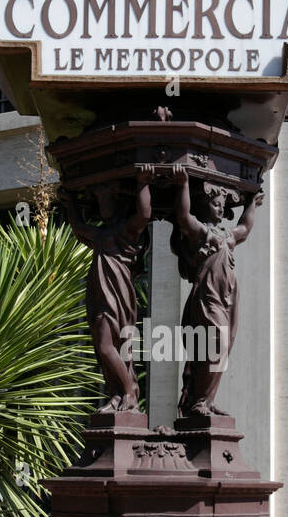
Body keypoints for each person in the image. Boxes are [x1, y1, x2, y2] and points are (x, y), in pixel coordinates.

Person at [169, 163, 263, 417]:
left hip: (227, 301)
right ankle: (198, 401)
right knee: (214, 344)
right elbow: (183, 217)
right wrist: (184, 184)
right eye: (215, 203)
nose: (221, 207)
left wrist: (251, 203)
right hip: (206, 300)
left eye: (222, 204)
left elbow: (244, 229)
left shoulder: (226, 236)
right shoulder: (203, 234)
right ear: (203, 206)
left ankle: (205, 401)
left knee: (222, 349)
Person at [62, 167, 154, 413]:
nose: (103, 204)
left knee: (106, 346)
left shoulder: (123, 231)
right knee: (104, 349)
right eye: (100, 199)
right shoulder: (101, 234)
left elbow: (144, 215)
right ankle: (116, 395)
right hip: (99, 295)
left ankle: (129, 393)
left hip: (116, 296)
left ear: (119, 203)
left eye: (108, 198)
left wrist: (143, 183)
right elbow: (78, 226)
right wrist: (69, 200)